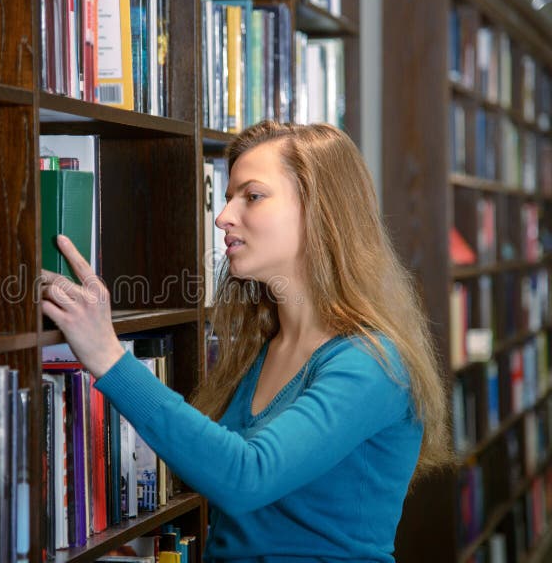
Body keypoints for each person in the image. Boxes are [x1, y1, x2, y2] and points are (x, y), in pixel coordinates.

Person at [40, 120, 451, 562]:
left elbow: (245, 478)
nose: (223, 218)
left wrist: (108, 356)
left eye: (252, 196)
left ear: (321, 210)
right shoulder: (263, 348)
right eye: (228, 197)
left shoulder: (371, 363)